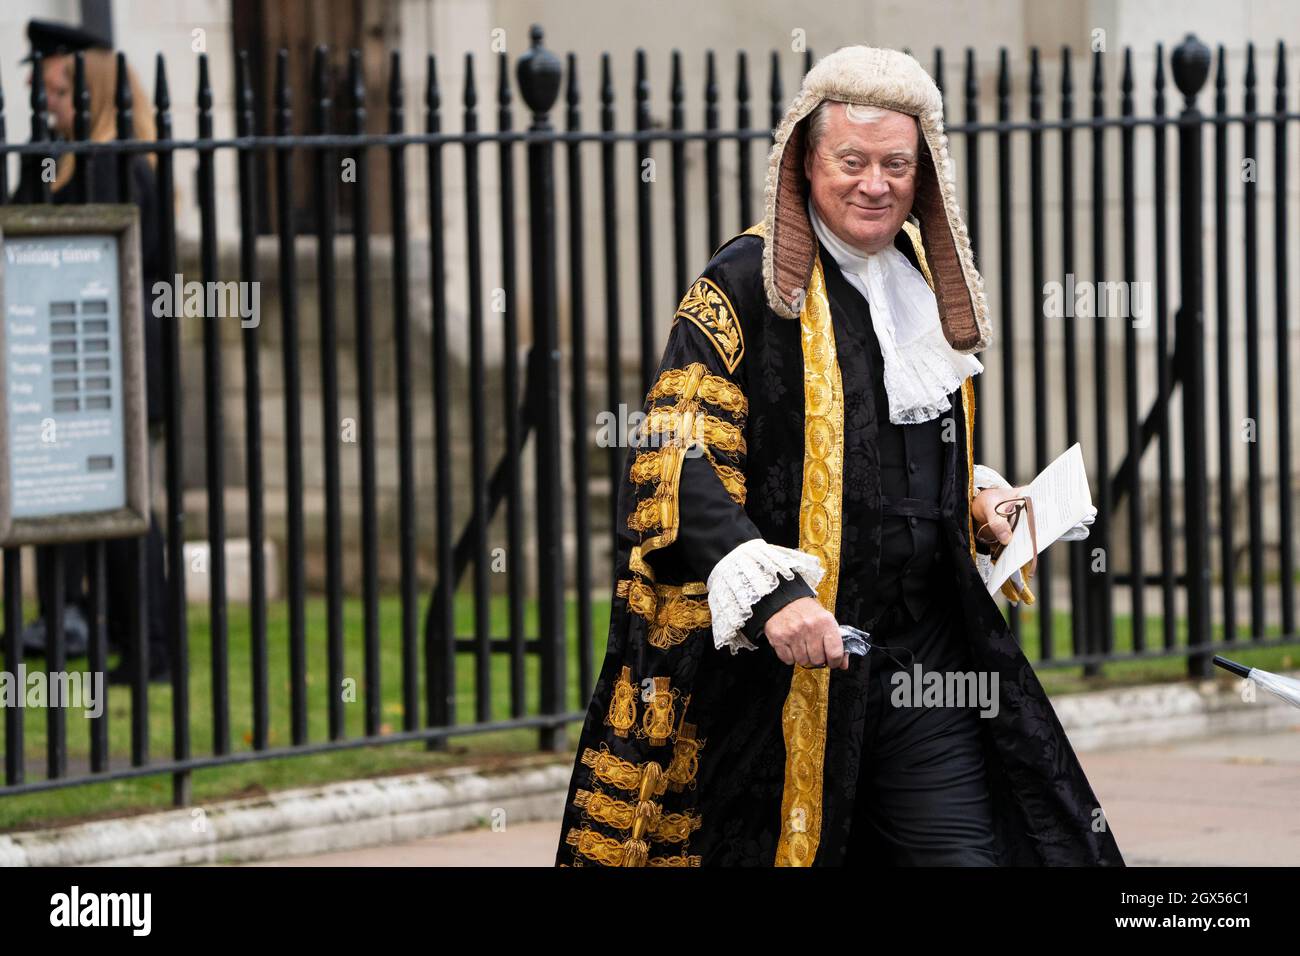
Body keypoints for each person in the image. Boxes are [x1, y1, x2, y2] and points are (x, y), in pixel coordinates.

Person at [555, 45, 1122, 867]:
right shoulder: (742, 283)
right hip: (790, 665)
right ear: (805, 163)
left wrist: (974, 499)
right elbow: (673, 466)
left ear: (923, 175)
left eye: (896, 163)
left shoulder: (918, 275)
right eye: (851, 161)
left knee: (967, 855)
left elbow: (892, 446)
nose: (875, 183)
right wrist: (778, 595)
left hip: (922, 649)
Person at [10, 19, 170, 683]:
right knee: (88, 501)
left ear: (93, 92)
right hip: (74, 361)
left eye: (55, 91)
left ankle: (150, 647)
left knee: (126, 507)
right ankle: (80, 626)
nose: (46, 103)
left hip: (116, 364)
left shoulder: (115, 168)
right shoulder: (75, 160)